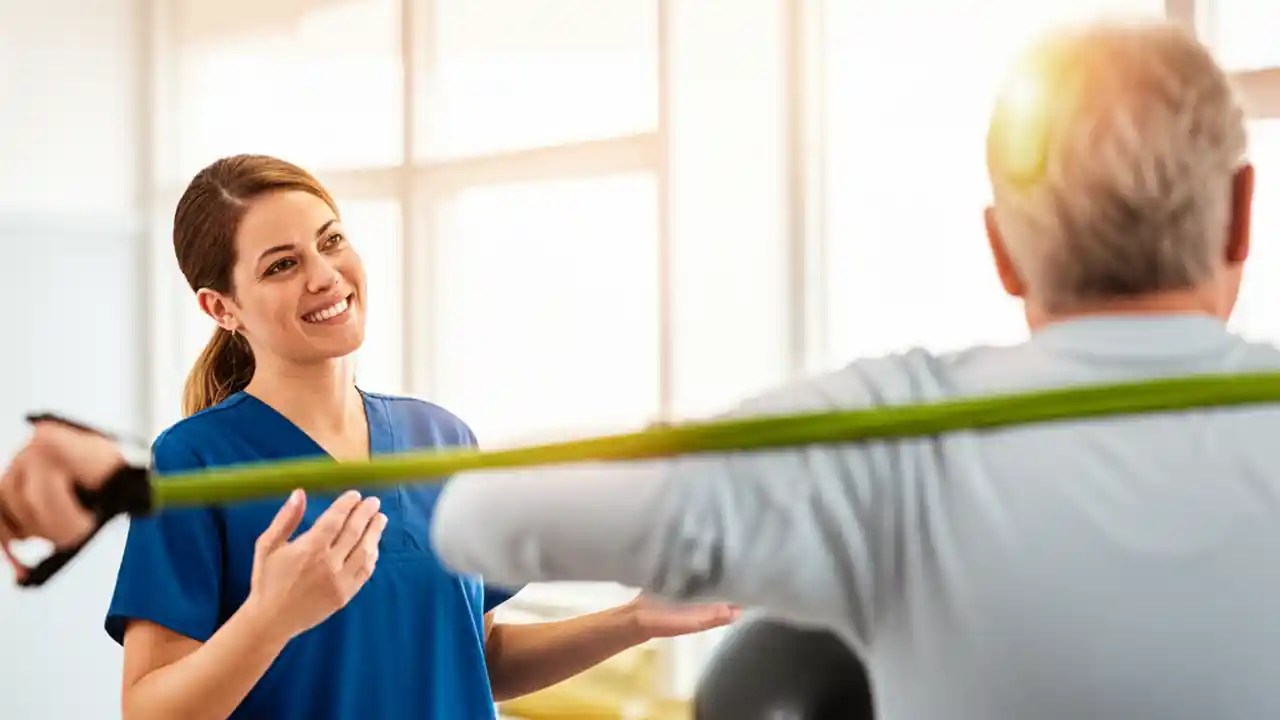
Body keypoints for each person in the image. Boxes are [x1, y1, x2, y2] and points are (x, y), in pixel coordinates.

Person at [424, 20, 1280, 719]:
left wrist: (727, 470)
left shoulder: (905, 431)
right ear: (1243, 214)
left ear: (1002, 249)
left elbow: (483, 514)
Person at [87, 154, 735, 720]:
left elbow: (478, 658)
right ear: (221, 307)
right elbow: (151, 710)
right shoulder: (195, 463)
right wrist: (270, 618)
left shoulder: (441, 439)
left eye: (331, 240)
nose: (323, 275)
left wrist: (633, 621)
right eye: (283, 265)